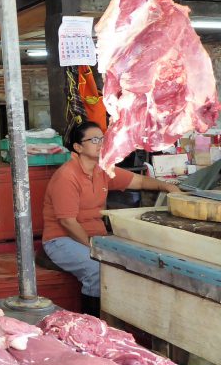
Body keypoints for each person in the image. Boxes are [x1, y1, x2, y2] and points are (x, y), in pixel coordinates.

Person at [42, 120, 180, 315]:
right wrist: (94, 248)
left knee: (138, 261)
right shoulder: (67, 176)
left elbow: (139, 181)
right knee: (97, 270)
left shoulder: (102, 170)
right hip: (61, 239)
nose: (101, 143)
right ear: (78, 147)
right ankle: (90, 328)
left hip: (95, 236)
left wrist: (165, 186)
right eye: (94, 139)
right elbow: (67, 222)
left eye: (103, 139)